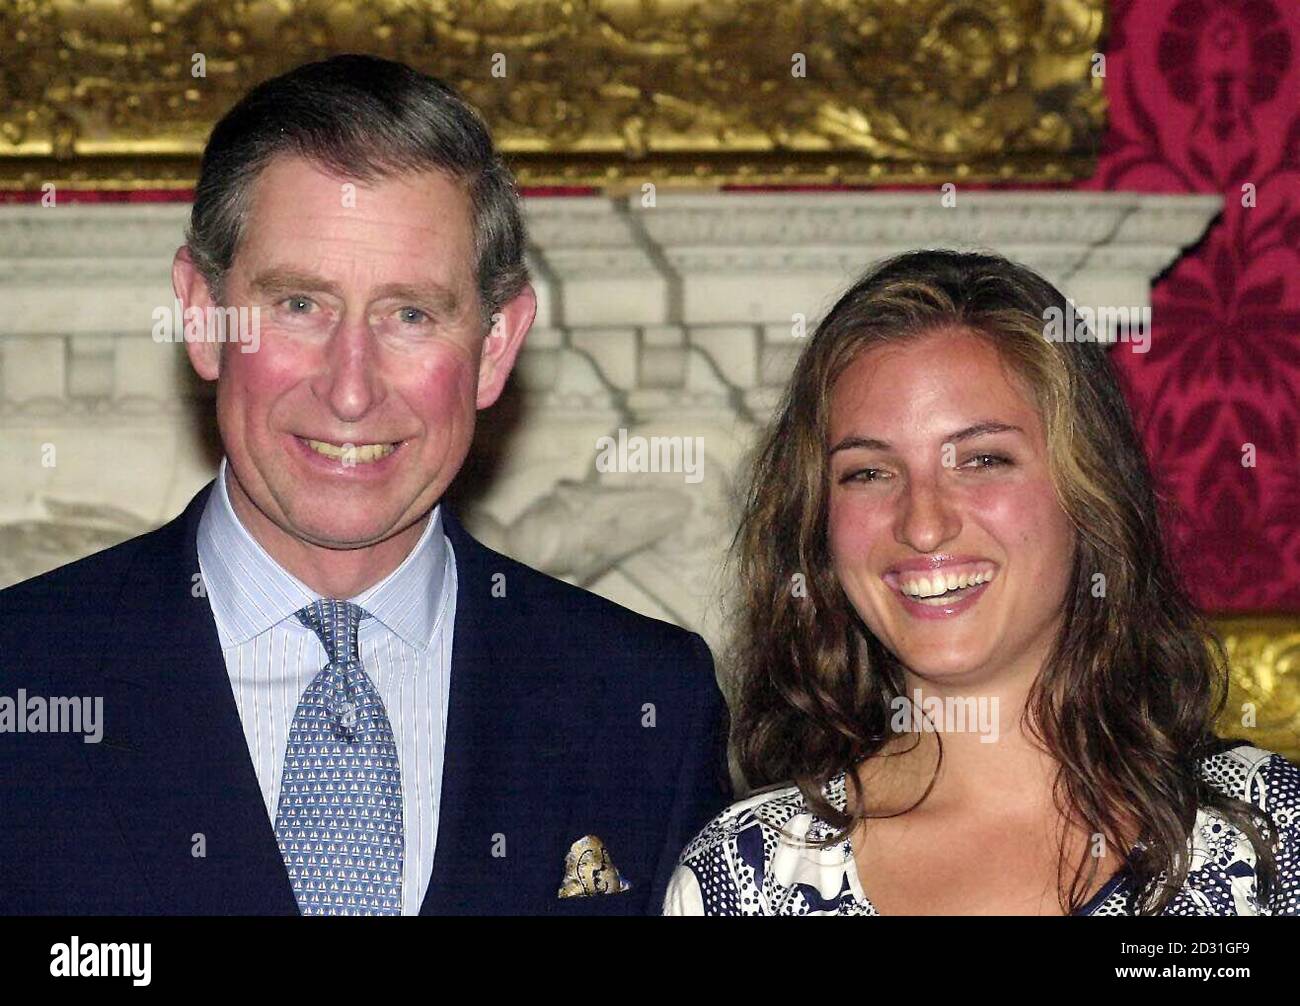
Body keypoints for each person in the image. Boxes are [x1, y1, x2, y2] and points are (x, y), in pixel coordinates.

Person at [0, 54, 727, 916]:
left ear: (496, 345)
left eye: (410, 315)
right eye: (299, 306)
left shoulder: (644, 705)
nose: (351, 389)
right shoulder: (25, 678)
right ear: (202, 316)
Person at [664, 249, 1299, 916]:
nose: (924, 525)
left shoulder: (1266, 843)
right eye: (868, 472)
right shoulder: (745, 876)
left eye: (983, 459)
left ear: (1090, 492)